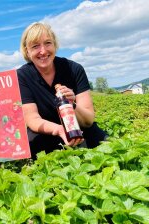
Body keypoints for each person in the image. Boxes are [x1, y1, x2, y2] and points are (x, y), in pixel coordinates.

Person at [17, 22, 107, 158]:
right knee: (35, 149)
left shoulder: (74, 69)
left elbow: (88, 120)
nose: (43, 51)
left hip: (78, 128)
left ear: (54, 45)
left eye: (47, 43)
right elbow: (33, 119)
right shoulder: (22, 76)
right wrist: (58, 130)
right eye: (35, 46)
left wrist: (72, 105)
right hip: (45, 131)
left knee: (102, 144)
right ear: (27, 51)